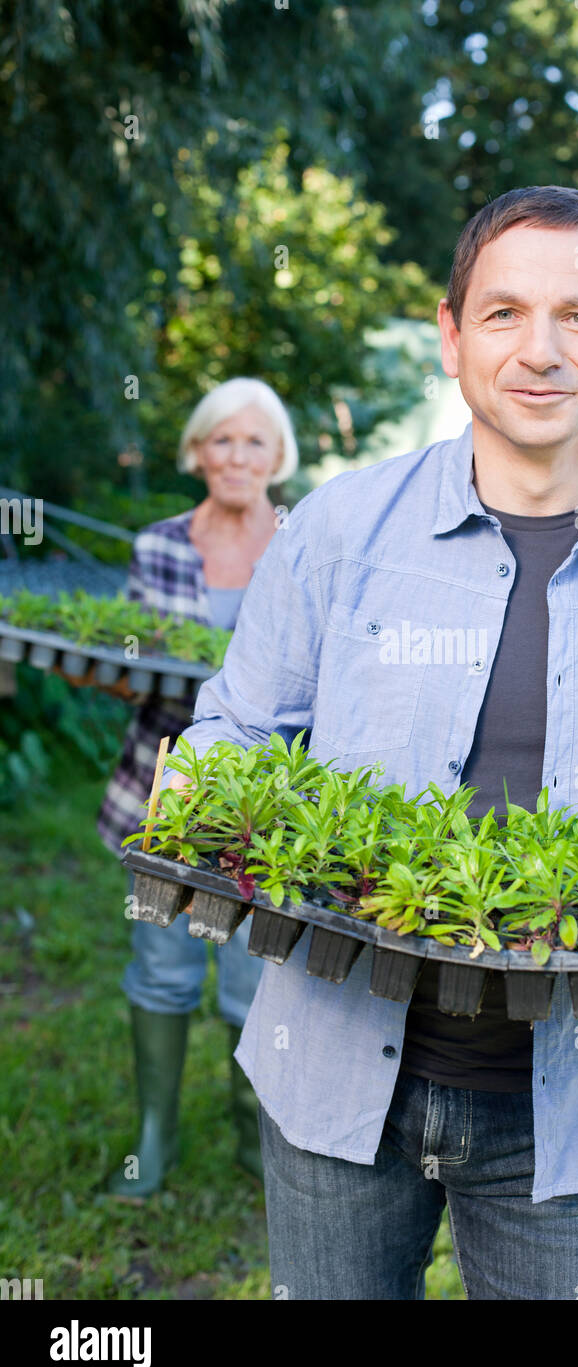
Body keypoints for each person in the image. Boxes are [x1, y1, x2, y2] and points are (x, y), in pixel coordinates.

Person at [161, 187, 578, 1297]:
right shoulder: (339, 529)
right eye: (502, 314)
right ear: (451, 337)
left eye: (577, 318)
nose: (538, 351)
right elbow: (237, 729)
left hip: (572, 1109)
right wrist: (196, 787)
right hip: (337, 1077)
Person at [98, 377, 298, 1199]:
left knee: (258, 972)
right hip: (162, 792)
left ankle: (256, 1137)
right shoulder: (159, 547)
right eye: (222, 440)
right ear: (197, 452)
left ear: (277, 455)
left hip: (269, 808)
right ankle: (155, 1135)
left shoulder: (305, 542)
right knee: (163, 960)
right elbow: (123, 663)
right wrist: (118, 662)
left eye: (255, 441)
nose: (237, 457)